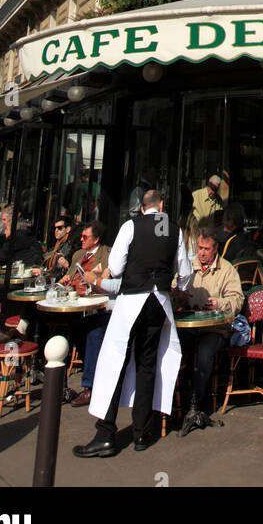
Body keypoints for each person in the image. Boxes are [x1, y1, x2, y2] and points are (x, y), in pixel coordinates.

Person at [74, 189, 193, 457]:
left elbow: (115, 266)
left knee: (114, 361)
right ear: (161, 205)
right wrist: (175, 287)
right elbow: (185, 272)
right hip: (159, 301)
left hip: (132, 300)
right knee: (148, 363)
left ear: (142, 208)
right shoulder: (174, 229)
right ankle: (142, 433)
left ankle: (105, 433)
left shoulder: (131, 226)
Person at [175, 223, 244, 434]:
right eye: (199, 248)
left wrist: (219, 303)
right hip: (189, 325)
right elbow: (172, 288)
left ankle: (196, 404)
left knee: (203, 355)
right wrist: (178, 296)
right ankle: (176, 400)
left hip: (215, 328)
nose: (202, 253)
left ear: (215, 248)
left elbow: (237, 299)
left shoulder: (227, 270)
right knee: (174, 350)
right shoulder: (188, 267)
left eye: (206, 249)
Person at [62, 222, 111, 409]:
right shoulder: (77, 255)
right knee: (65, 330)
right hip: (75, 304)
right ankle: (59, 381)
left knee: (94, 332)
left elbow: (107, 281)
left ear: (96, 239)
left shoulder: (107, 254)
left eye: (85, 237)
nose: (81, 240)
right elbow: (67, 277)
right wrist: (65, 282)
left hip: (97, 306)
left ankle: (89, 386)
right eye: (81, 236)